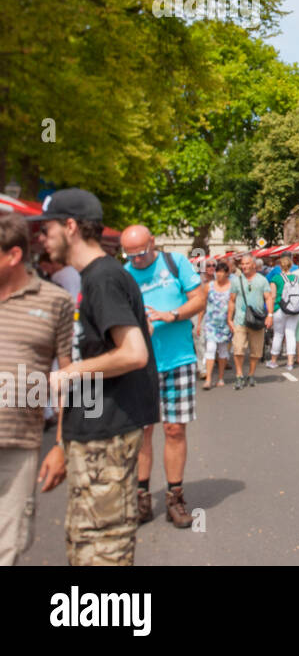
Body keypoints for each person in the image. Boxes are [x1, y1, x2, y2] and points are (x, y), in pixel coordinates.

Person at [34, 189, 159, 565]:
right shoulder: (95, 277)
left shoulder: (102, 278)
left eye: (47, 228)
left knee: (102, 553)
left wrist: (72, 371)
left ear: (70, 226)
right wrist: (62, 444)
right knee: (86, 547)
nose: (42, 238)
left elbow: (134, 351)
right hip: (92, 436)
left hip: (108, 435)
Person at [120, 224, 206, 529]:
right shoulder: (124, 273)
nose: (137, 260)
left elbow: (199, 299)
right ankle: (141, 497)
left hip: (177, 360)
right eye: (129, 255)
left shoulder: (176, 263)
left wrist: (172, 315)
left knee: (173, 430)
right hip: (139, 364)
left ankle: (175, 497)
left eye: (141, 253)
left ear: (152, 244)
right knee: (141, 432)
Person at [0, 213, 74, 565]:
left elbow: (70, 375)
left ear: (13, 256)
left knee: (8, 547)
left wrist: (61, 444)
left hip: (16, 448)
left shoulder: (55, 301)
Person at [229, 255, 274, 389]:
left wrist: (270, 315)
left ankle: (251, 374)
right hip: (240, 320)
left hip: (256, 320)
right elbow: (231, 300)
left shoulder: (262, 280)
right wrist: (229, 319)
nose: (244, 266)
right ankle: (239, 375)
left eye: (247, 263)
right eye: (242, 264)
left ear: (254, 265)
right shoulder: (236, 281)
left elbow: (268, 298)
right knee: (238, 349)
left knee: (255, 351)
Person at [201, 260, 234, 389]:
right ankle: (208, 379)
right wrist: (199, 323)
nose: (219, 274)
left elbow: (232, 304)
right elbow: (203, 304)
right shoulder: (209, 286)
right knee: (210, 349)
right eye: (217, 271)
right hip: (211, 323)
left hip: (224, 324)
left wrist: (231, 320)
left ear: (227, 274)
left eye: (222, 272)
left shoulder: (231, 286)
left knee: (223, 351)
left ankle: (220, 377)